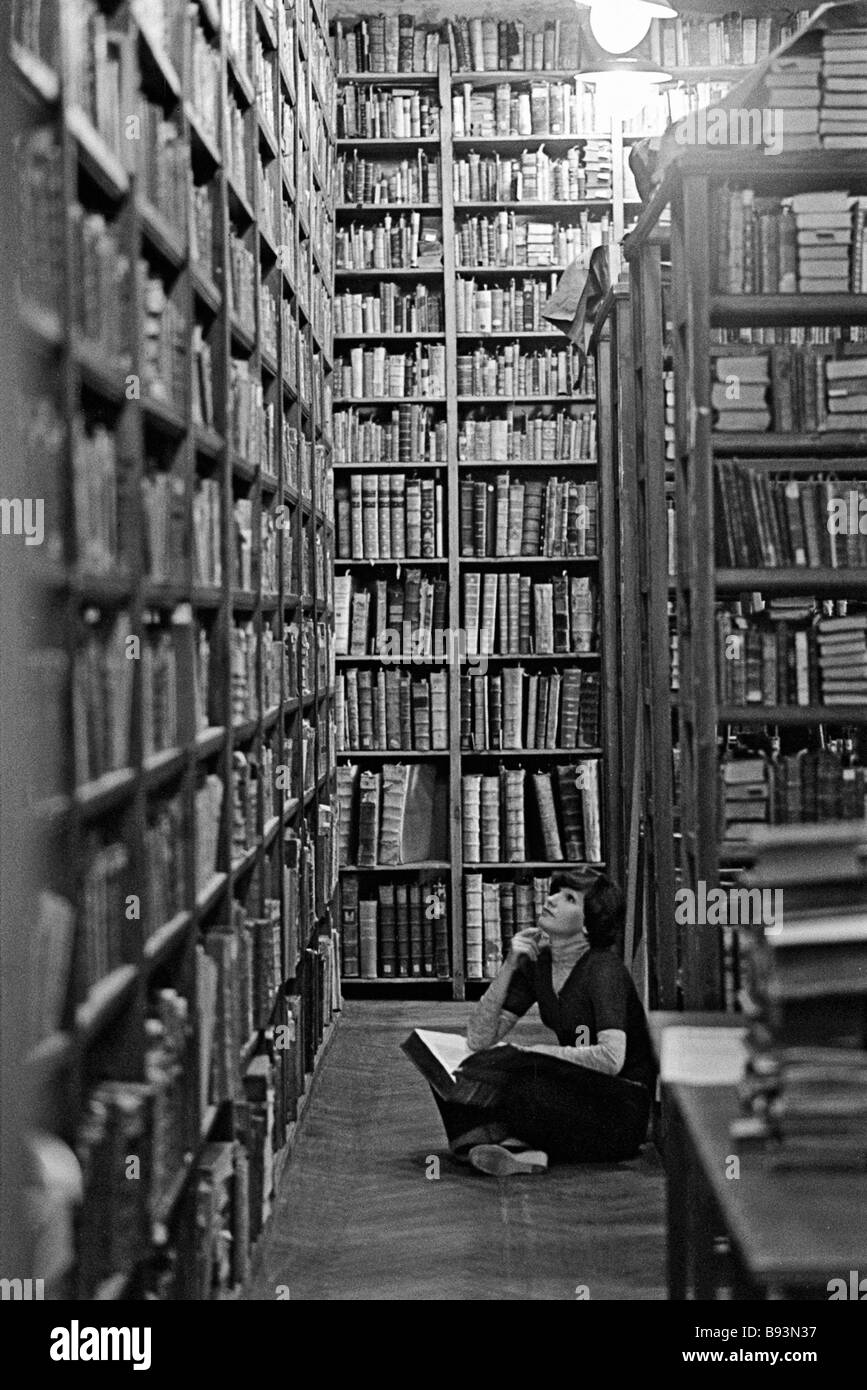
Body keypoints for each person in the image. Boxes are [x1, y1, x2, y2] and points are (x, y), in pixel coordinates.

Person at [432, 871, 656, 1177]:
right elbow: (479, 1038)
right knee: (450, 1071)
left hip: (618, 1108)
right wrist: (510, 964)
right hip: (577, 1090)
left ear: (589, 921)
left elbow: (611, 1058)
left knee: (527, 1087)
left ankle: (512, 1143)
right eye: (555, 892)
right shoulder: (540, 963)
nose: (550, 900)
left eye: (569, 898)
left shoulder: (603, 970)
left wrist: (534, 1056)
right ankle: (513, 1148)